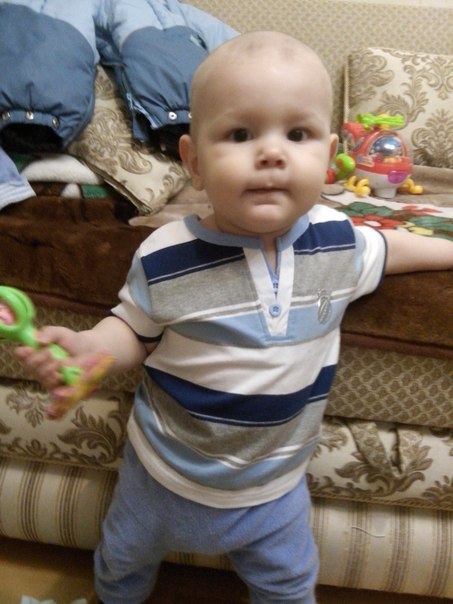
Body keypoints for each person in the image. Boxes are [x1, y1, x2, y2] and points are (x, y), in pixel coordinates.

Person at [15, 31, 453, 604]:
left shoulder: (338, 241)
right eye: (241, 135)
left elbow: (394, 248)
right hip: (162, 474)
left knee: (289, 586)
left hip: (274, 490)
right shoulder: (165, 254)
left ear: (327, 158)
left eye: (297, 134)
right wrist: (91, 348)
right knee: (121, 563)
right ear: (194, 162)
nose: (271, 153)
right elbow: (131, 328)